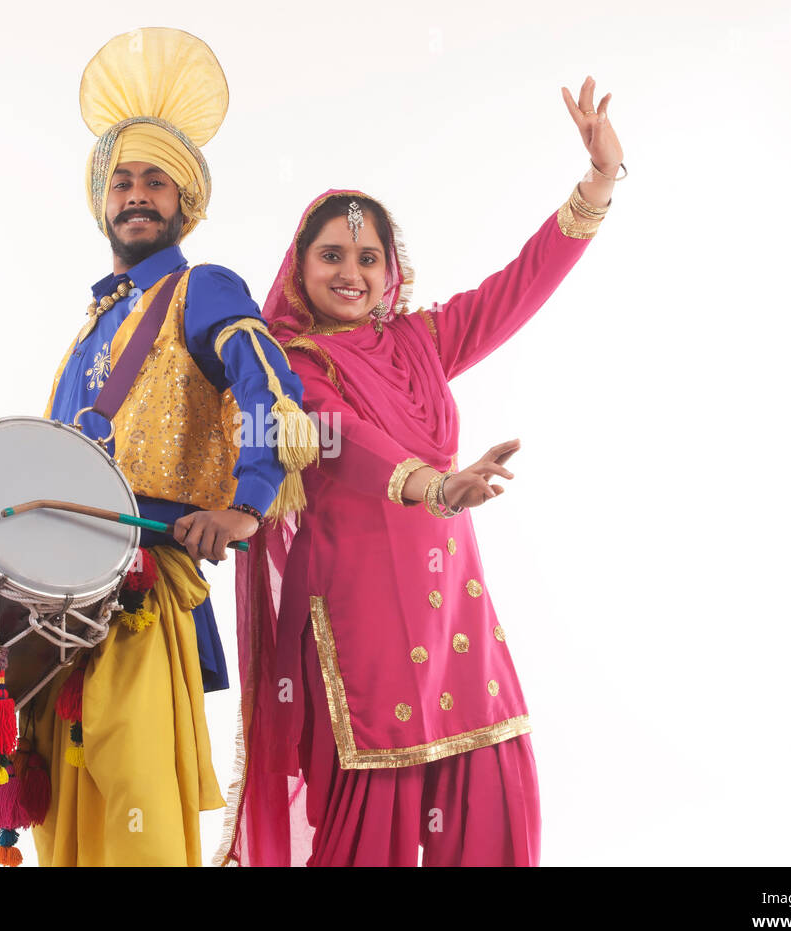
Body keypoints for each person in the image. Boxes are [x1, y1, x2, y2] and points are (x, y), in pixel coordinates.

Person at [0, 27, 312, 866]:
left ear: (186, 202)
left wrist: (247, 505)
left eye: (156, 181)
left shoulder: (201, 287)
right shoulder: (92, 327)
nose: (137, 195)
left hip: (143, 580)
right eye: (122, 181)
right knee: (64, 816)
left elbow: (268, 389)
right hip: (57, 604)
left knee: (136, 786)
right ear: (103, 202)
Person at [217, 77, 624, 866]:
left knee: (494, 776)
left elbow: (519, 286)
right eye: (331, 255)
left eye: (369, 258)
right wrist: (435, 486)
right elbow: (336, 437)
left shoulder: (420, 341)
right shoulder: (285, 364)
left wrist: (599, 180)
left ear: (389, 269)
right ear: (298, 267)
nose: (352, 272)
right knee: (378, 794)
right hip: (356, 615)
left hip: (453, 614)